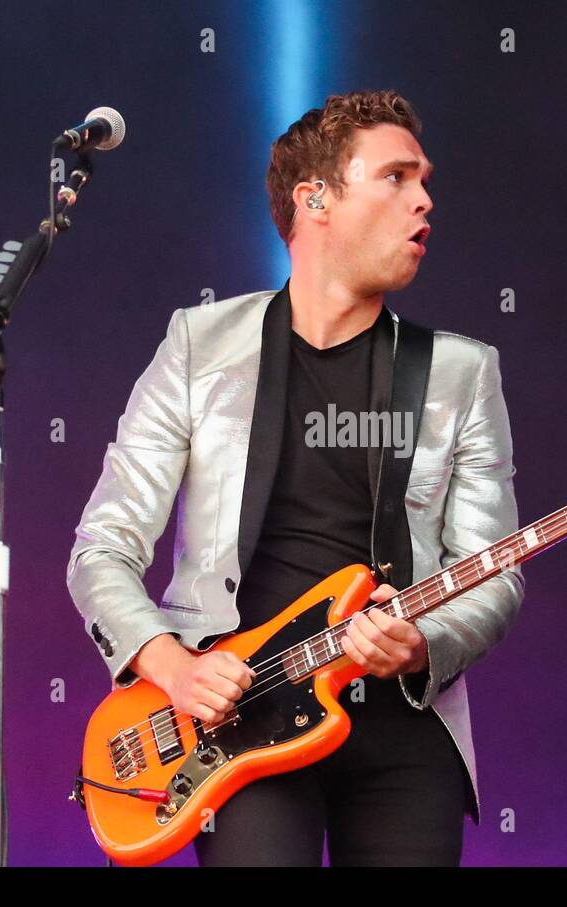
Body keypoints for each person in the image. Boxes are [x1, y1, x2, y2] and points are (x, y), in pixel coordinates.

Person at [67, 90, 524, 865]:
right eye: (396, 176)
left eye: (425, 180)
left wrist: (419, 643)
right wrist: (175, 669)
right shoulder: (198, 345)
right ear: (315, 200)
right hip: (236, 717)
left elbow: (496, 573)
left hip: (403, 722)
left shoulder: (460, 372)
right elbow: (101, 549)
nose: (425, 200)